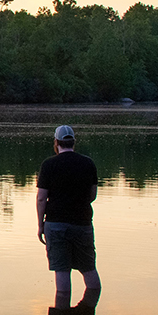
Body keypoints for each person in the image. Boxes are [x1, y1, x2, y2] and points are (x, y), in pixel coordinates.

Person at [36, 125, 101, 301]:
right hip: (83, 222)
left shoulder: (49, 165)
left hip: (55, 224)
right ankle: (88, 311)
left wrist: (40, 225)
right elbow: (92, 195)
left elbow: (42, 198)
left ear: (56, 143)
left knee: (62, 270)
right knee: (88, 268)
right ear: (74, 142)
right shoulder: (88, 163)